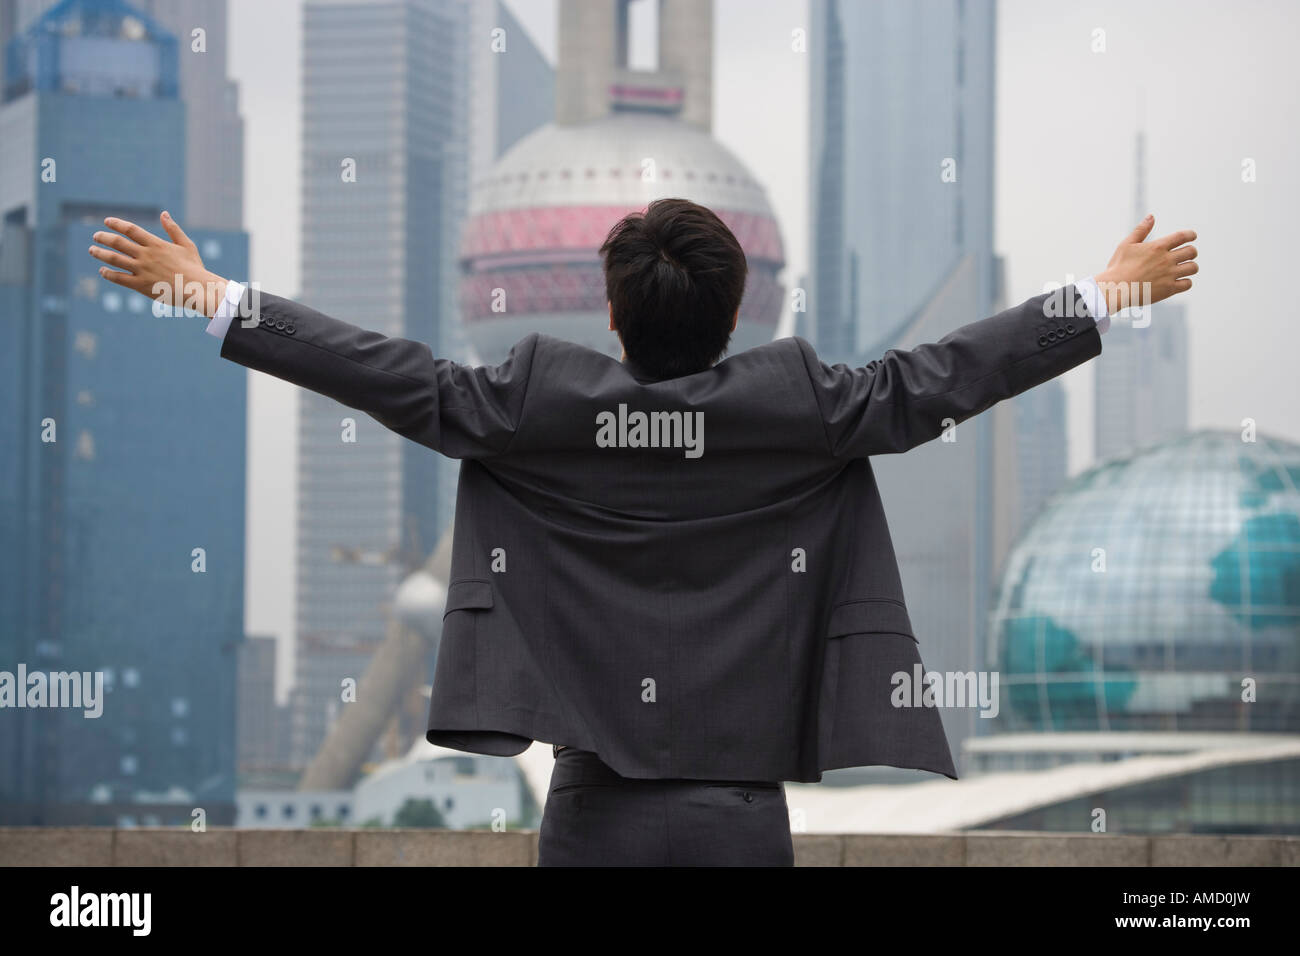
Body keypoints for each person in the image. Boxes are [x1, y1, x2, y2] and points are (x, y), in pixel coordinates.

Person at [89, 198, 1197, 866]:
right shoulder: (800, 405)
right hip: (740, 822)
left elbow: (383, 372)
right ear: (733, 318)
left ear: (611, 315)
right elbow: (942, 375)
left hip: (589, 818)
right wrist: (1099, 296)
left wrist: (208, 294)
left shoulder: (534, 403)